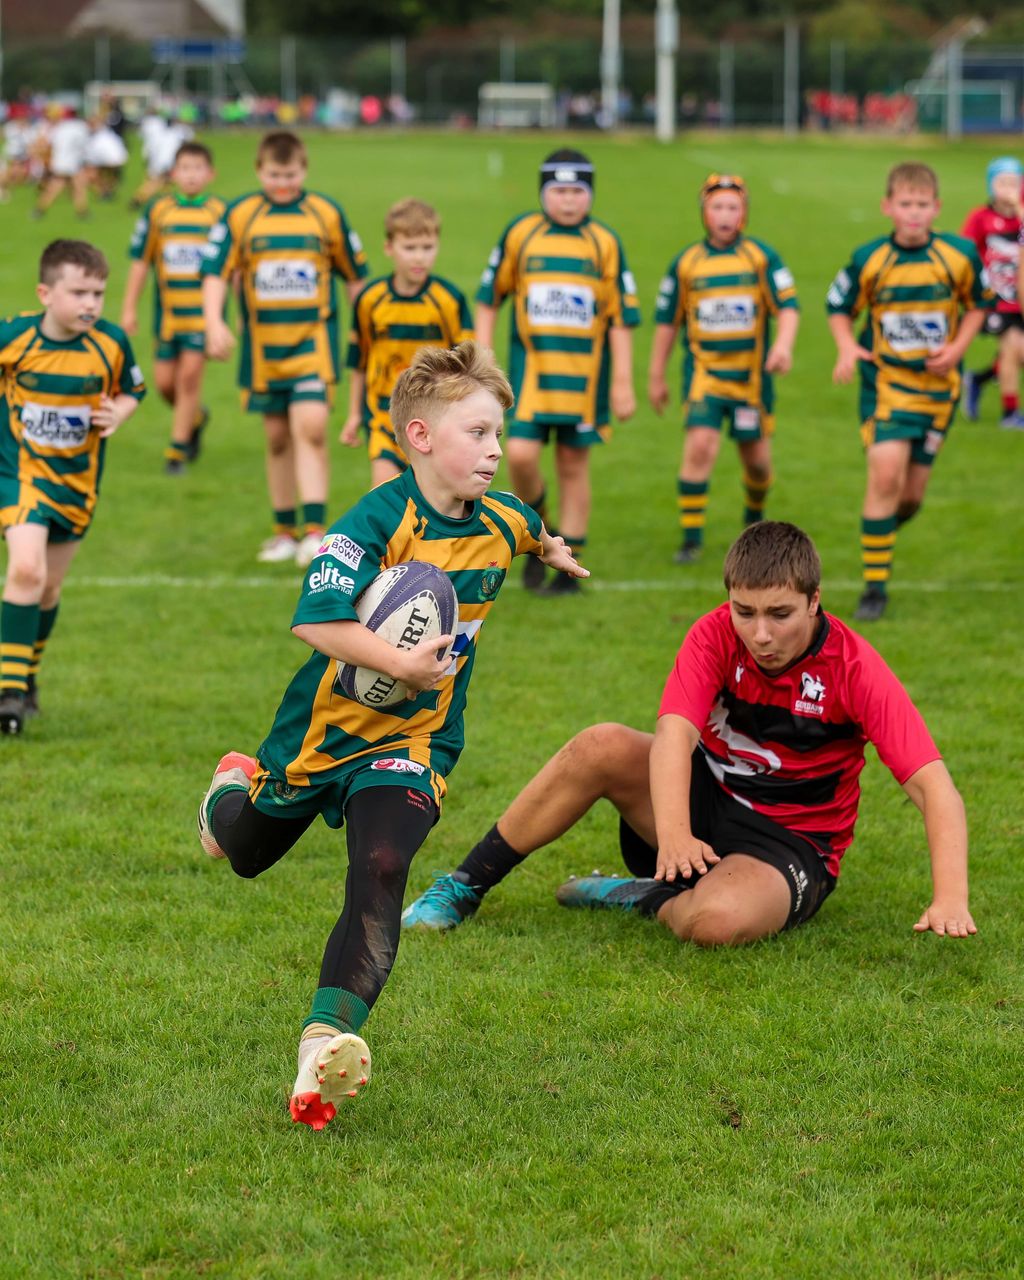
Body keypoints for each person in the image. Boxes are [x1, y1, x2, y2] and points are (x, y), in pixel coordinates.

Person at [195, 342, 586, 1129]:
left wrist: (554, 548)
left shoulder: (504, 516)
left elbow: (531, 526)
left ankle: (322, 1044)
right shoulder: (372, 521)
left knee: (382, 863)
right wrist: (401, 665)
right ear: (420, 438)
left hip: (415, 744)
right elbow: (313, 619)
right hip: (321, 738)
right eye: (477, 433)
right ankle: (226, 796)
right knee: (245, 854)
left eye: (498, 434)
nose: (495, 449)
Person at [402, 521, 976, 949]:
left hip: (790, 846)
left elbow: (934, 789)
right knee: (601, 742)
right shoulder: (714, 634)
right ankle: (462, 886)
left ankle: (643, 896)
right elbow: (674, 734)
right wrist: (674, 836)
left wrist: (950, 897)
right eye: (744, 611)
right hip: (708, 804)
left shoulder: (855, 668)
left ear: (815, 601)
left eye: (780, 614)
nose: (760, 633)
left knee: (714, 923)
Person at [827, 162, 992, 622]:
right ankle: (874, 588)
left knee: (910, 497)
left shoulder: (958, 256)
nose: (914, 213)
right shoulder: (870, 259)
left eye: (922, 205)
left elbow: (980, 304)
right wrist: (845, 347)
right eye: (905, 204)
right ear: (888, 207)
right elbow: (838, 307)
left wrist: (958, 348)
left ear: (936, 208)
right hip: (886, 388)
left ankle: (877, 534)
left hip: (939, 394)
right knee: (885, 476)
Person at [475, 148, 639, 595]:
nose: (568, 201)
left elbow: (622, 318)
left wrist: (623, 382)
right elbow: (489, 296)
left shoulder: (603, 243)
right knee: (521, 455)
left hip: (585, 382)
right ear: (544, 193)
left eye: (577, 192)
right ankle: (541, 527)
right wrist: (482, 356)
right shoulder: (522, 235)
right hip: (530, 380)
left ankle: (571, 569)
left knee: (572, 463)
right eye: (559, 191)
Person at [201, 130, 369, 566]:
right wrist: (213, 319)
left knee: (310, 427)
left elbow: (356, 276)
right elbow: (216, 271)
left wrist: (369, 322)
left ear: (304, 170)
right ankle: (283, 532)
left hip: (313, 346)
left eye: (290, 175)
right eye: (275, 175)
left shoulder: (325, 214)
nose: (282, 183)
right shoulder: (241, 216)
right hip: (262, 352)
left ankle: (316, 530)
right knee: (276, 437)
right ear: (259, 171)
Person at [0, 240, 146, 735]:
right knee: (24, 569)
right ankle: (10, 694)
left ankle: (27, 674)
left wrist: (119, 411)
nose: (91, 303)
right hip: (21, 474)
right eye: (79, 292)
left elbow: (134, 388)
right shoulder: (15, 338)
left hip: (77, 485)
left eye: (99, 293)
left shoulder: (109, 344)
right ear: (45, 292)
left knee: (48, 587)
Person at [648, 174, 799, 564]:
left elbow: (788, 307)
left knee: (758, 462)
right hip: (705, 378)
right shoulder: (687, 263)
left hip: (751, 382)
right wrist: (656, 374)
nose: (725, 215)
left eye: (733, 207)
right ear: (704, 212)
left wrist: (782, 345)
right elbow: (667, 321)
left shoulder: (761, 258)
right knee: (700, 448)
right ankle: (691, 538)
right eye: (717, 207)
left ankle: (753, 515)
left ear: (744, 213)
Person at [340, 198, 473, 489]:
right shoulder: (370, 301)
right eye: (409, 248)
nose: (419, 257)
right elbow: (359, 362)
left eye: (427, 248)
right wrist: (353, 415)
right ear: (389, 248)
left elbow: (467, 368)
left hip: (436, 421)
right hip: (383, 418)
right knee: (385, 499)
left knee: (433, 506)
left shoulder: (448, 300)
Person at [121, 141, 225, 474]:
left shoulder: (220, 214)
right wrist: (129, 309)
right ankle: (195, 417)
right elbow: (140, 263)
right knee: (165, 384)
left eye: (198, 169)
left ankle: (176, 452)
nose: (191, 175)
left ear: (210, 174)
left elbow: (232, 269)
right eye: (185, 168)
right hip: (168, 320)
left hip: (202, 320)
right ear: (173, 173)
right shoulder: (158, 212)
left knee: (189, 379)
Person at [961, 157, 1024, 429]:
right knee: (1013, 349)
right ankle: (1010, 414)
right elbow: (964, 251)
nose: (1009, 188)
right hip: (994, 298)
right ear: (990, 186)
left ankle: (979, 379)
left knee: (1017, 354)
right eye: (1002, 182)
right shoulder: (981, 217)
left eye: (1014, 182)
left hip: (1019, 296)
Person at [33, 106, 90, 220]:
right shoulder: (81, 126)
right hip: (74, 163)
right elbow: (85, 145)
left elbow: (49, 144)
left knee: (55, 187)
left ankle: (39, 210)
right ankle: (82, 212)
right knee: (79, 188)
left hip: (60, 162)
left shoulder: (59, 128)